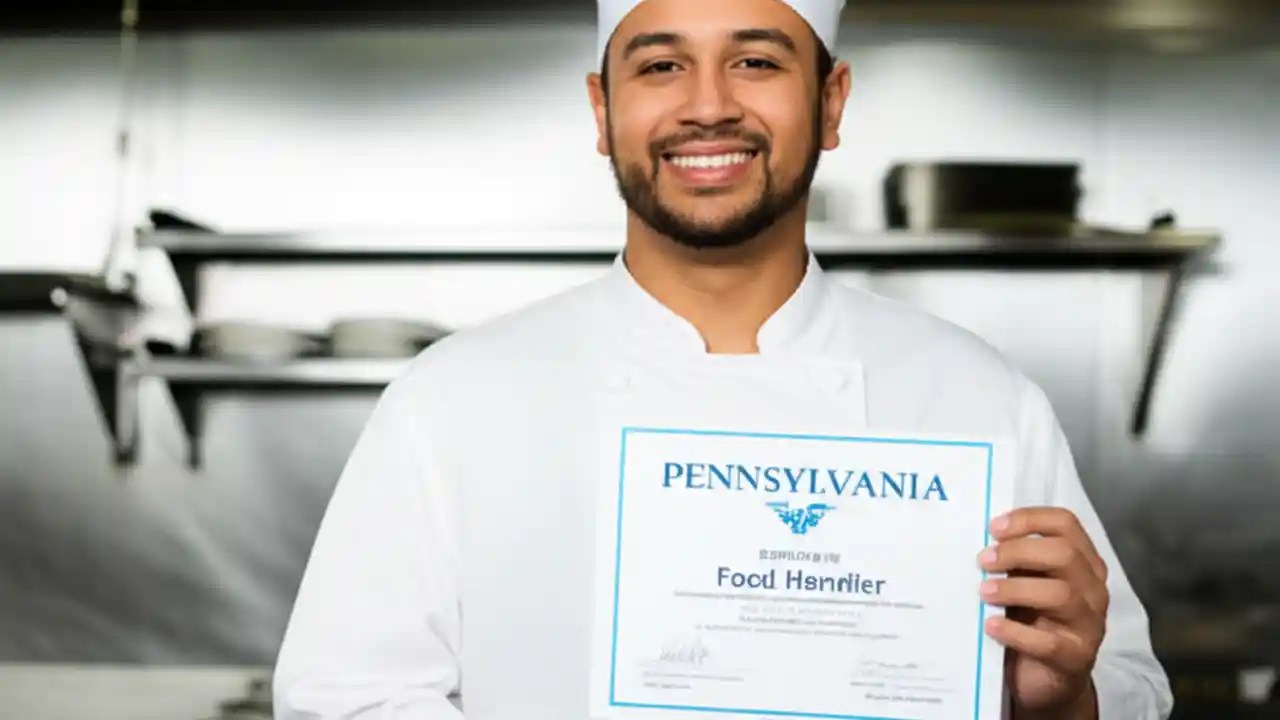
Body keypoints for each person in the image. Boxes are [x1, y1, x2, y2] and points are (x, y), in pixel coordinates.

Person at [273, 0, 1173, 718]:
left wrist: (1061, 705)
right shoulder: (451, 401)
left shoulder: (980, 397)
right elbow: (343, 700)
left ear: (830, 103)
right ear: (602, 109)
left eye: (757, 60)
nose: (707, 104)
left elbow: (1134, 691)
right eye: (661, 65)